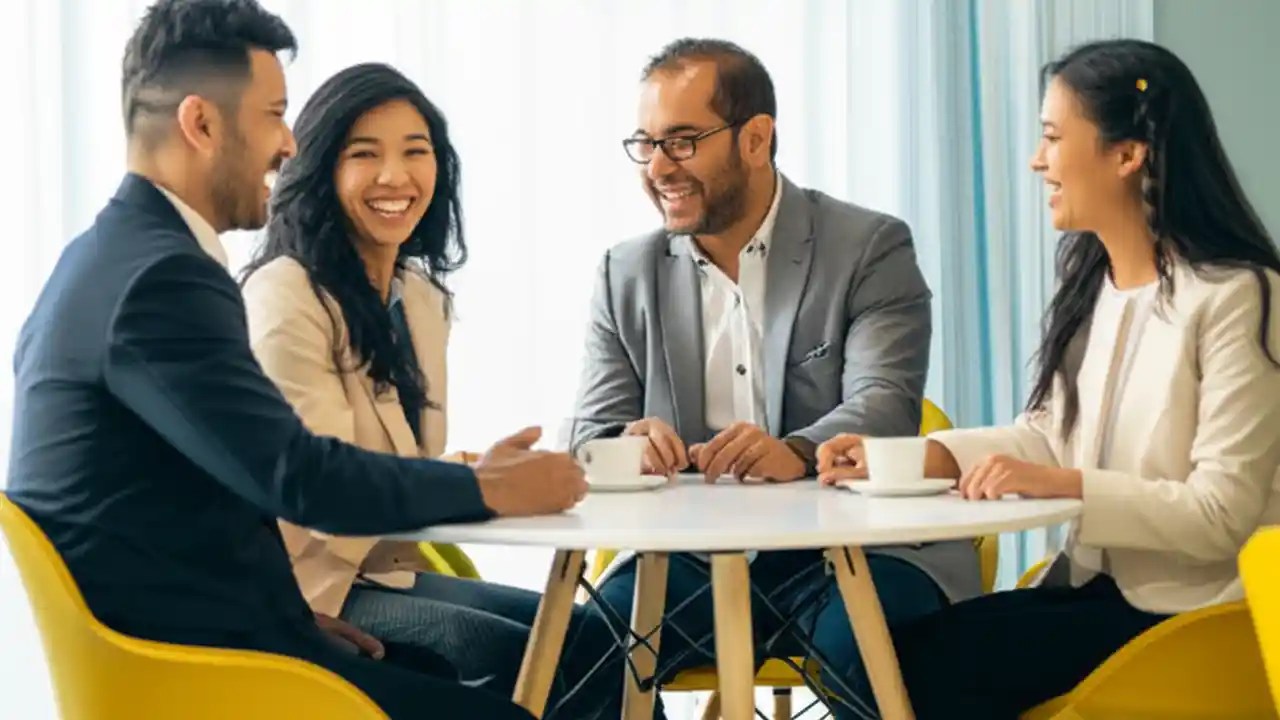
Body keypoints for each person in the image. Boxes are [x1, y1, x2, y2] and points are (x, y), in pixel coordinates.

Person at [5, 2, 587, 718]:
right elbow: (299, 477)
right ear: (202, 124)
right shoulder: (162, 280)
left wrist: (284, 617)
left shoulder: (108, 259)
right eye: (274, 114)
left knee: (517, 660)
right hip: (188, 672)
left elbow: (184, 502)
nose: (288, 145)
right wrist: (488, 490)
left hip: (190, 639)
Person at [818, 38, 1280, 719]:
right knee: (862, 658)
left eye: (1053, 137)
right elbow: (1049, 437)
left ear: (1127, 155)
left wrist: (1066, 486)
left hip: (1193, 614)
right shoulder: (1094, 284)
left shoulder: (1238, 297)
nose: (1038, 161)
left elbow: (1219, 515)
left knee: (910, 674)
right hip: (1096, 590)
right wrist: (916, 457)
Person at [568, 37, 980, 714]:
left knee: (863, 655)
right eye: (645, 144)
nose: (658, 167)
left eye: (682, 141)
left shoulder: (869, 247)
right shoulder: (625, 273)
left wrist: (794, 451)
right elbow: (587, 431)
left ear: (756, 138)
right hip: (691, 561)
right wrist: (625, 443)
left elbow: (886, 404)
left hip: (860, 549)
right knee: (585, 653)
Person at [240, 61, 620, 718]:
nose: (396, 176)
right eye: (366, 155)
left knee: (598, 642)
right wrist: (481, 485)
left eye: (416, 153)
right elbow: (327, 485)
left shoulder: (419, 299)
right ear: (321, 171)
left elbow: (400, 465)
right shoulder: (285, 294)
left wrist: (479, 472)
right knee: (513, 655)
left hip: (386, 569)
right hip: (310, 589)